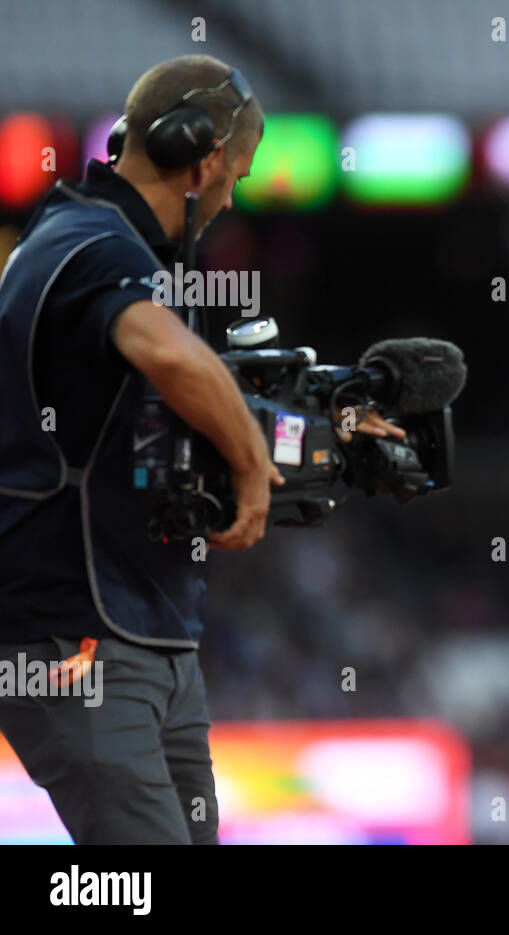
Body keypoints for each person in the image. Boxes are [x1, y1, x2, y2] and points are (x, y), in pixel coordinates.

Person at [0, 55, 400, 844]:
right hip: (78, 632)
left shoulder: (86, 238)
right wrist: (252, 461)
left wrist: (336, 423)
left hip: (141, 631)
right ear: (205, 156)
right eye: (238, 174)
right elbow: (172, 354)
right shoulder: (94, 243)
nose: (228, 198)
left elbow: (192, 390)